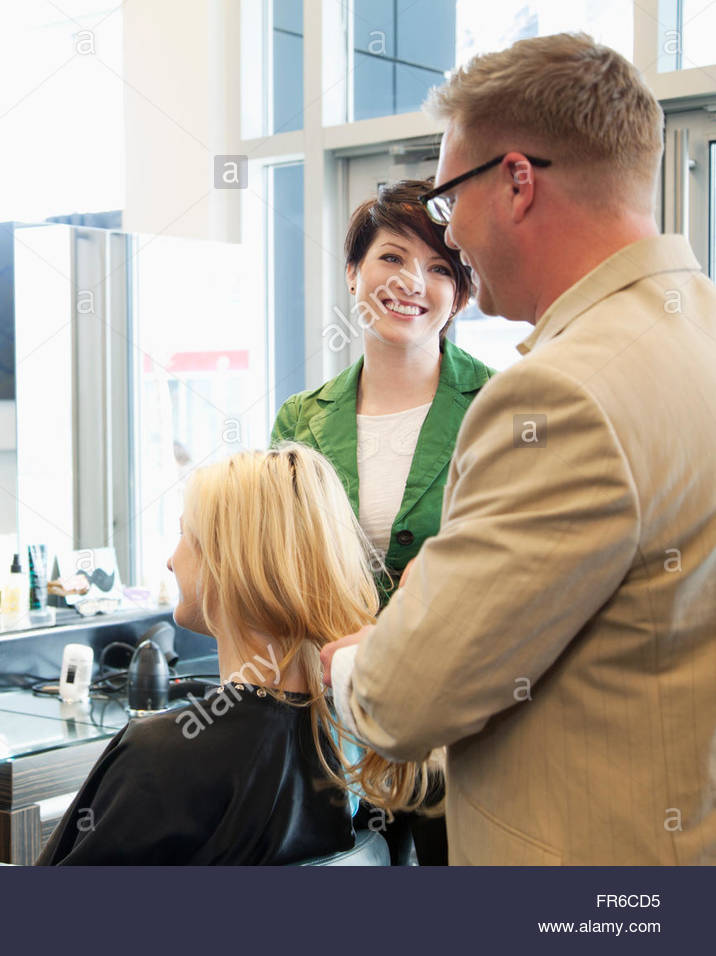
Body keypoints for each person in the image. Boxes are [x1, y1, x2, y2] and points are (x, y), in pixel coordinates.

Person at [320, 33, 716, 864]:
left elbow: (409, 696)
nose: (450, 233)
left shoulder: (559, 395)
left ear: (516, 182)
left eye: (448, 199)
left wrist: (352, 665)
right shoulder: (697, 332)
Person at [0, 447, 430, 865]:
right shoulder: (357, 732)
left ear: (228, 568)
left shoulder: (165, 752)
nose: (170, 561)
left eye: (185, 537)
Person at [271, 180, 494, 864]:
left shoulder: (497, 405)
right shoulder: (301, 419)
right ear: (353, 273)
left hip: (454, 733)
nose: (411, 283)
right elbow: (281, 564)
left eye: (438, 269)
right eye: (391, 258)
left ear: (460, 294)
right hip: (330, 723)